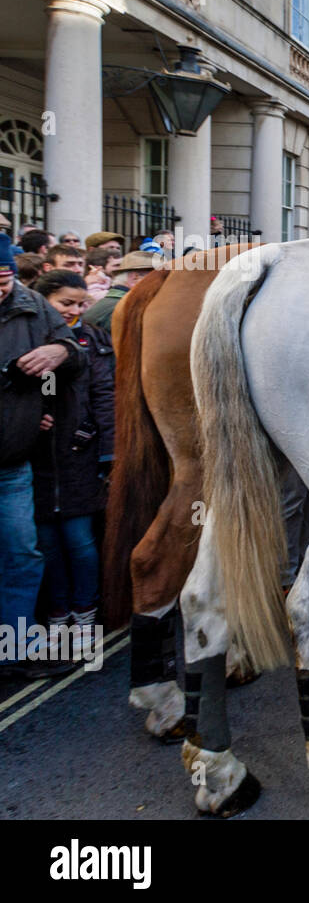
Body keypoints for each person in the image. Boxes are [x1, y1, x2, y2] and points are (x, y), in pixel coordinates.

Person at [0, 260, 85, 678]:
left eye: (4, 278)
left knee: (22, 557)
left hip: (13, 466)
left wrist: (61, 350)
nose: (1, 289)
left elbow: (77, 358)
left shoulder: (32, 304)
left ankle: (13, 653)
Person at [29, 271, 115, 639]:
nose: (74, 311)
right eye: (66, 303)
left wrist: (108, 452)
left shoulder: (92, 340)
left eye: (81, 304)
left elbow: (104, 396)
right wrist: (29, 419)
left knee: (80, 541)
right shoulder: (27, 336)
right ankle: (57, 609)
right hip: (35, 460)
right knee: (46, 544)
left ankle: (85, 610)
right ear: (44, 299)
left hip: (80, 455)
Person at [82, 251, 160, 335]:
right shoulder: (127, 307)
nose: (162, 284)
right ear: (136, 277)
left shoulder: (114, 302)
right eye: (158, 278)